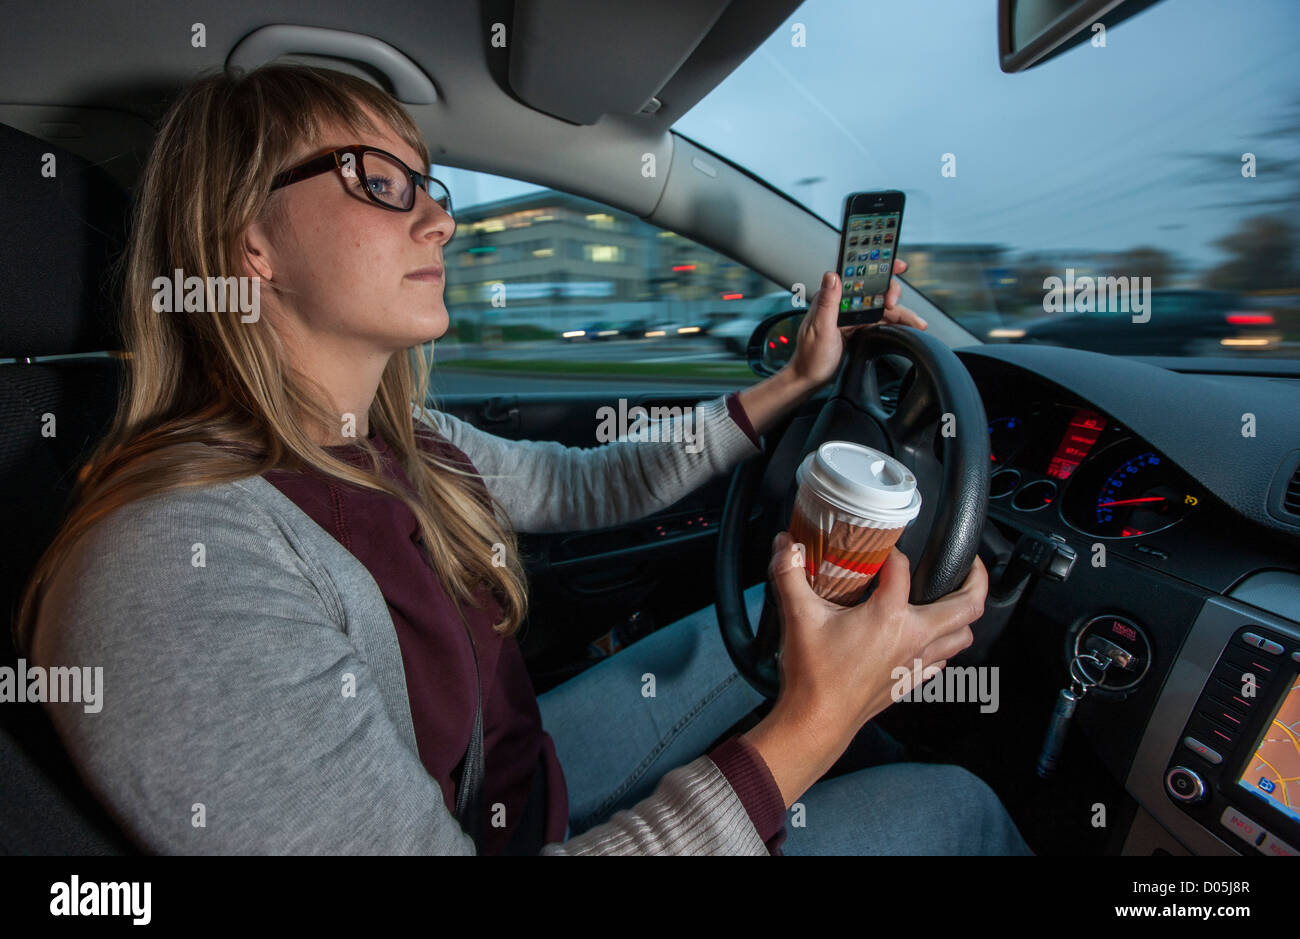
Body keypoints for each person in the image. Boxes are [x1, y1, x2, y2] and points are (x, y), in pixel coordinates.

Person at [16, 62, 1031, 855]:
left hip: (510, 786)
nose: (441, 218)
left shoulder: (394, 440)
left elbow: (585, 484)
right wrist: (815, 724)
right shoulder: (175, 573)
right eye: (378, 181)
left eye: (429, 183)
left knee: (796, 605)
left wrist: (797, 379)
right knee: (955, 808)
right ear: (251, 245)